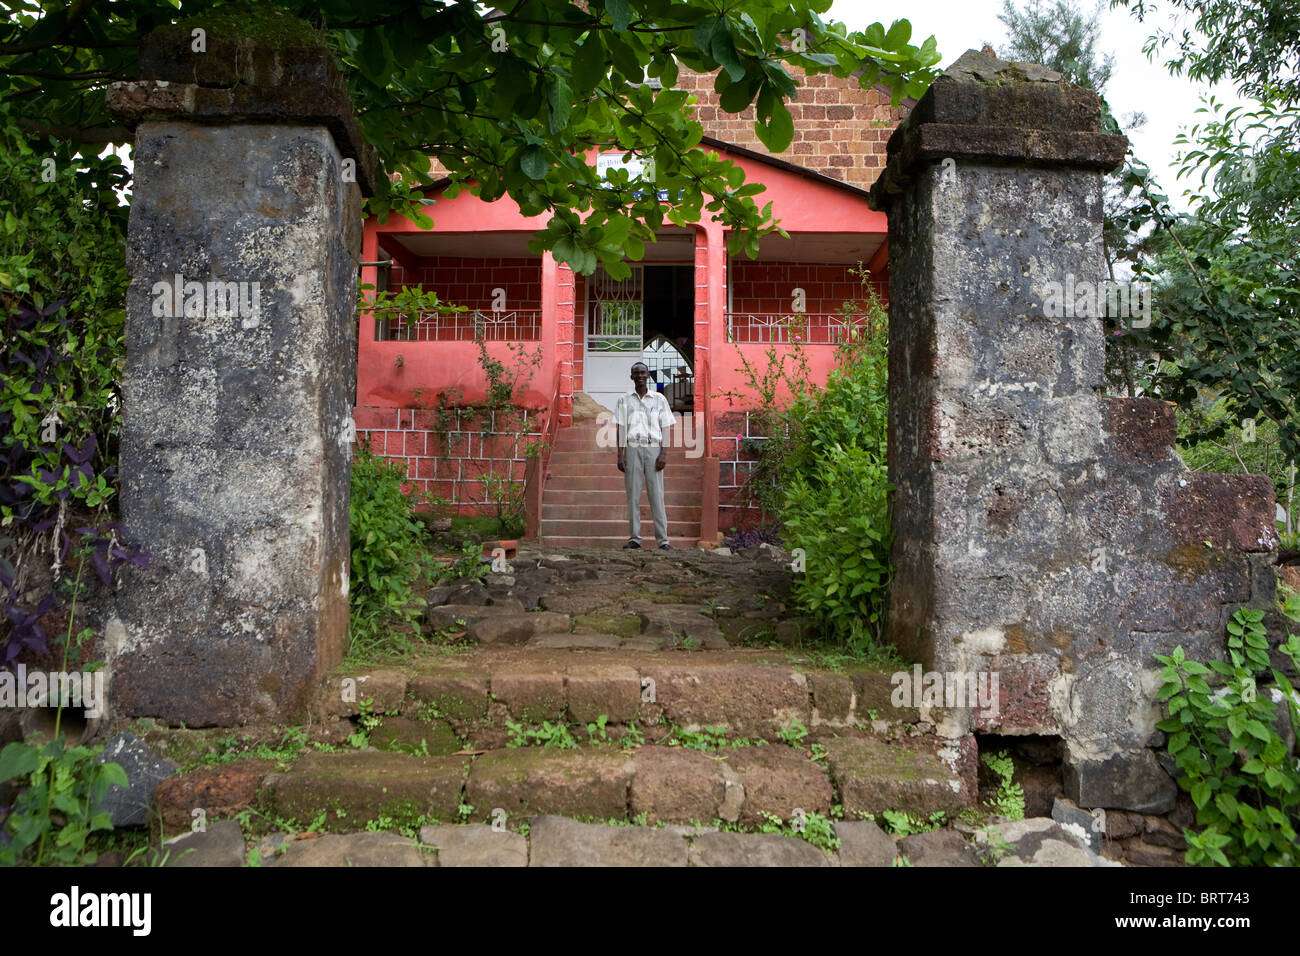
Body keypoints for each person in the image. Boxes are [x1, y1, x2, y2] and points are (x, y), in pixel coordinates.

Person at [614, 361, 675, 549]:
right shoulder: (624, 400)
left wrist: (664, 453)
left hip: (653, 449)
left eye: (643, 372)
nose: (640, 376)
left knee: (656, 494)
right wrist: (620, 455)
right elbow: (621, 428)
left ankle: (663, 540)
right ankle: (634, 538)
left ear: (648, 375)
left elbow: (665, 427)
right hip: (632, 448)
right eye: (636, 373)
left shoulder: (659, 399)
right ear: (631, 377)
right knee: (632, 495)